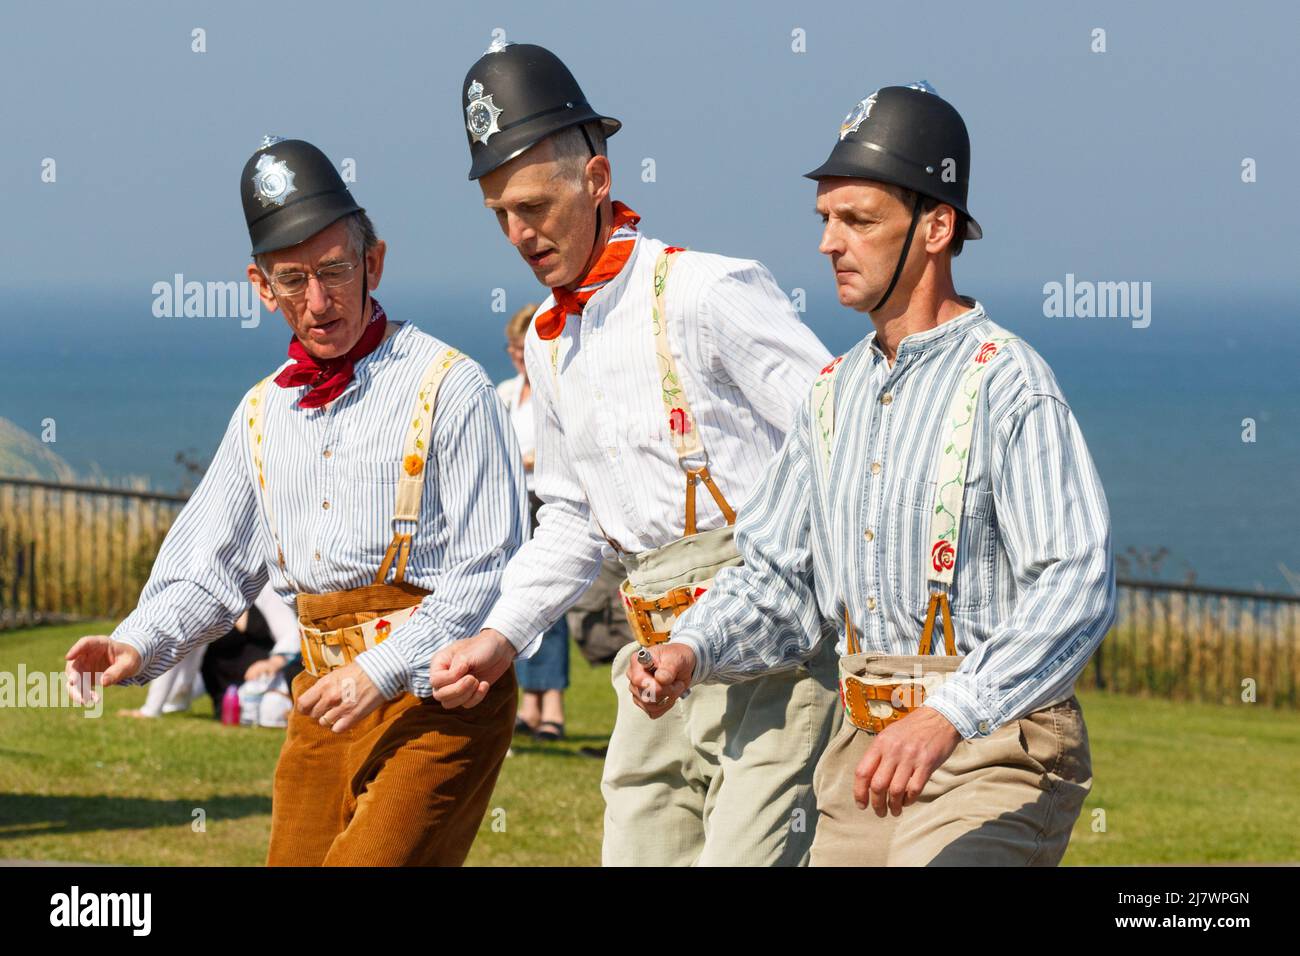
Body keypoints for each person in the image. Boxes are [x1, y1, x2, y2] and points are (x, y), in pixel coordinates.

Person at [633, 83, 1116, 866]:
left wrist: (948, 715)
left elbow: (1076, 580)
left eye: (858, 220)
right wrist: (693, 649)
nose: (829, 243)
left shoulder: (1009, 382)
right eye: (825, 219)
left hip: (999, 750)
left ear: (935, 227)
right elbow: (779, 582)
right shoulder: (832, 394)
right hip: (866, 758)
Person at [64, 136, 528, 866]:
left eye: (336, 271)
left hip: (441, 702)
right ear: (260, 287)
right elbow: (209, 566)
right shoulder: (262, 414)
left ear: (374, 262)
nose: (318, 302)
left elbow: (492, 570)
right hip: (322, 702)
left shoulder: (452, 386)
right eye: (293, 280)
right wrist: (135, 640)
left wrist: (379, 671)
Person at [430, 41, 840, 867]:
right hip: (648, 662)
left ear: (597, 180)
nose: (519, 233)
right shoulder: (550, 345)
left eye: (535, 205)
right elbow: (575, 518)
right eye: (500, 213)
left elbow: (844, 442)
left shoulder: (705, 292)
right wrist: (501, 635)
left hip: (774, 659)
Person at [498, 302, 570, 741]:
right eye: (514, 349)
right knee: (517, 596)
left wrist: (528, 459)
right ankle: (528, 702)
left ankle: (553, 708)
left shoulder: (554, 391)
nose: (519, 358)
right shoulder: (506, 392)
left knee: (551, 604)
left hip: (546, 501)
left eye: (525, 350)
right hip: (513, 503)